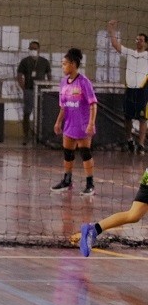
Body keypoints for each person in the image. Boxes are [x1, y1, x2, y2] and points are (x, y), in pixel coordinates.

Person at [51, 47, 98, 195]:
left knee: (85, 153)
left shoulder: (84, 82)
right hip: (69, 124)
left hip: (83, 124)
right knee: (68, 153)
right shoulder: (63, 82)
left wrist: (91, 123)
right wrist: (58, 122)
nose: (62, 66)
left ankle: (90, 184)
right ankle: (67, 181)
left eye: (64, 63)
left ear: (73, 64)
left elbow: (93, 104)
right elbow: (63, 106)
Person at [106, 20, 148, 153]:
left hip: (143, 91)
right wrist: (111, 30)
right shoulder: (130, 53)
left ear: (146, 43)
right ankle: (129, 140)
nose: (138, 41)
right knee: (127, 118)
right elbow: (115, 44)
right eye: (137, 39)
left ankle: (141, 145)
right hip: (130, 90)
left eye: (141, 40)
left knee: (143, 119)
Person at [16, 40, 51, 146]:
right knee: (27, 112)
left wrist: (48, 87)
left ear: (39, 49)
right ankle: (26, 136)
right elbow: (19, 76)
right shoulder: (24, 61)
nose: (33, 50)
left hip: (41, 92)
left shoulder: (44, 62)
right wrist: (24, 88)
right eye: (31, 48)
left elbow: (49, 76)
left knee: (42, 114)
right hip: (29, 90)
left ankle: (41, 136)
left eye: (35, 48)